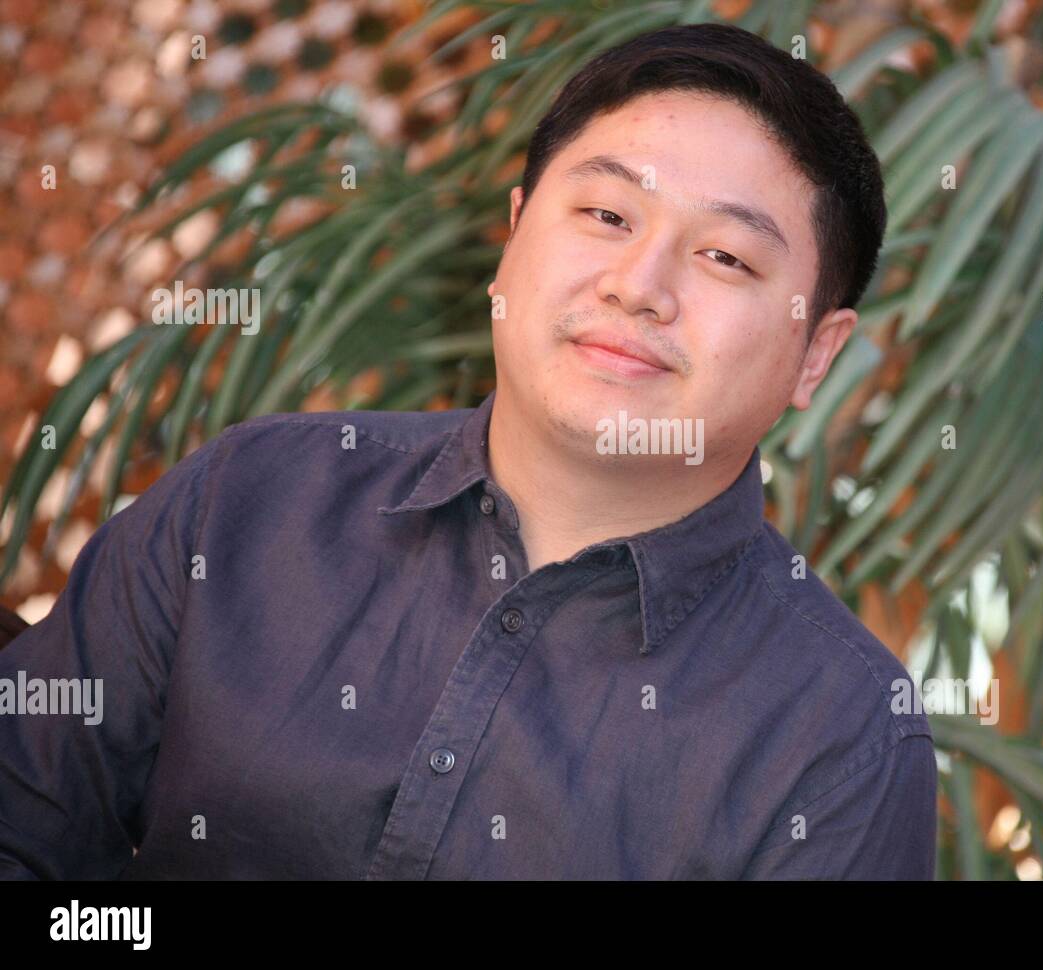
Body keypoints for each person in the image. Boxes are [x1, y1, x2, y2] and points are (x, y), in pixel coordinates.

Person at [0, 21, 934, 880]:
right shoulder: (246, 503)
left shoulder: (839, 737)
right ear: (514, 233)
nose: (637, 286)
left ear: (816, 353)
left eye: (726, 257)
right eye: (608, 216)